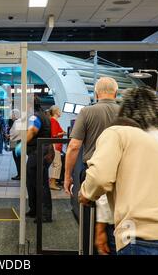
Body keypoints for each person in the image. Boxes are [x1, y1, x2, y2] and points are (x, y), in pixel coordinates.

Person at [79, 87, 158, 255]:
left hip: (144, 236)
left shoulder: (117, 132)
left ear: (123, 111)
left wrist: (86, 193)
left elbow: (101, 178)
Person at [64, 77, 120, 255]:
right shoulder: (126, 112)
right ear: (116, 93)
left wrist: (67, 176)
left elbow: (74, 146)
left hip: (94, 173)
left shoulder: (87, 112)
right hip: (121, 173)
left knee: (92, 219)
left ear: (96, 94)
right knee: (116, 219)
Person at [24, 96, 53, 223]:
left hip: (38, 153)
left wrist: (20, 144)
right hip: (42, 152)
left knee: (40, 184)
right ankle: (34, 210)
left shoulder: (35, 116)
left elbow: (32, 131)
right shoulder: (43, 115)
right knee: (32, 183)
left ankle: (44, 214)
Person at [48, 106, 66, 191]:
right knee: (57, 164)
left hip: (53, 145)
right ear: (55, 112)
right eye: (59, 110)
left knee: (54, 164)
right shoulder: (53, 121)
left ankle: (51, 181)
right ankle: (52, 183)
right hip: (55, 145)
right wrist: (62, 132)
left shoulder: (52, 121)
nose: (60, 112)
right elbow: (54, 135)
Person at [8, 109, 22, 181]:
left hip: (16, 142)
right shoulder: (17, 121)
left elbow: (16, 133)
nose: (11, 116)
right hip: (16, 141)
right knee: (17, 159)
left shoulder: (18, 122)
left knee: (18, 159)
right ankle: (19, 174)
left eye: (12, 115)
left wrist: (9, 135)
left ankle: (20, 175)